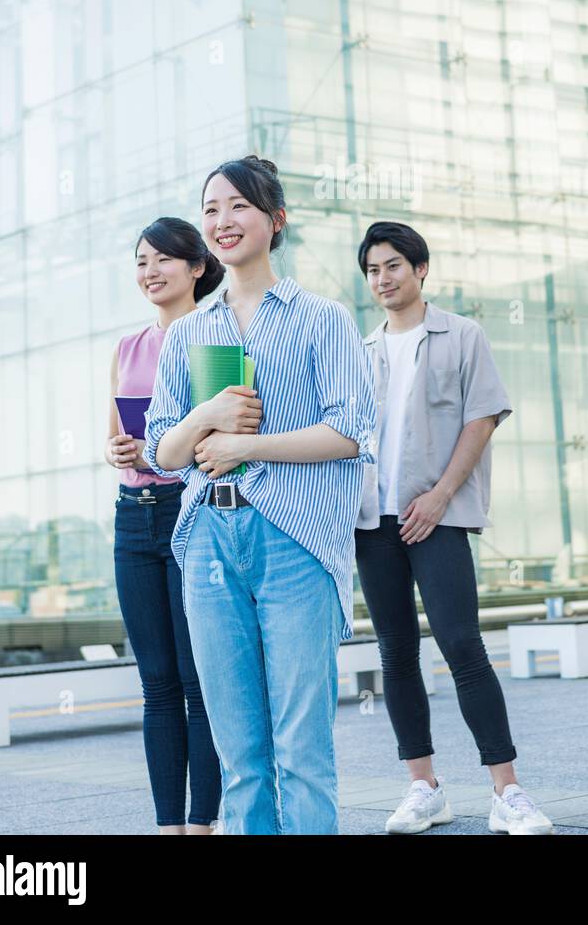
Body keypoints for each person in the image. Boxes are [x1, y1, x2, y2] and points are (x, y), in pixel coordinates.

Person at [142, 155, 376, 836]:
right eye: (211, 209)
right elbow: (162, 450)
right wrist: (207, 414)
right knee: (239, 755)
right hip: (210, 541)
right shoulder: (187, 333)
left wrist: (246, 445)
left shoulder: (324, 319)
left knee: (301, 748)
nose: (222, 221)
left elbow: (349, 432)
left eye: (238, 206)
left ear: (276, 220)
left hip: (295, 538)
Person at [354, 221, 553, 835]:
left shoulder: (462, 335)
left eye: (393, 266)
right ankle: (423, 786)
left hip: (436, 517)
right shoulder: (361, 352)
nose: (382, 279)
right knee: (395, 652)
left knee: (463, 645)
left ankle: (507, 790)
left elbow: (483, 417)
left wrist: (440, 497)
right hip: (373, 520)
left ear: (420, 270)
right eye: (372, 270)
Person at [106, 216, 224, 834]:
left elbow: (227, 435)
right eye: (141, 261)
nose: (149, 272)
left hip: (192, 512)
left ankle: (203, 824)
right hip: (134, 521)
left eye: (163, 260)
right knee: (156, 685)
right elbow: (112, 440)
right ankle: (169, 828)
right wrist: (119, 453)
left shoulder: (214, 340)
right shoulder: (127, 348)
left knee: (196, 680)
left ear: (198, 268)